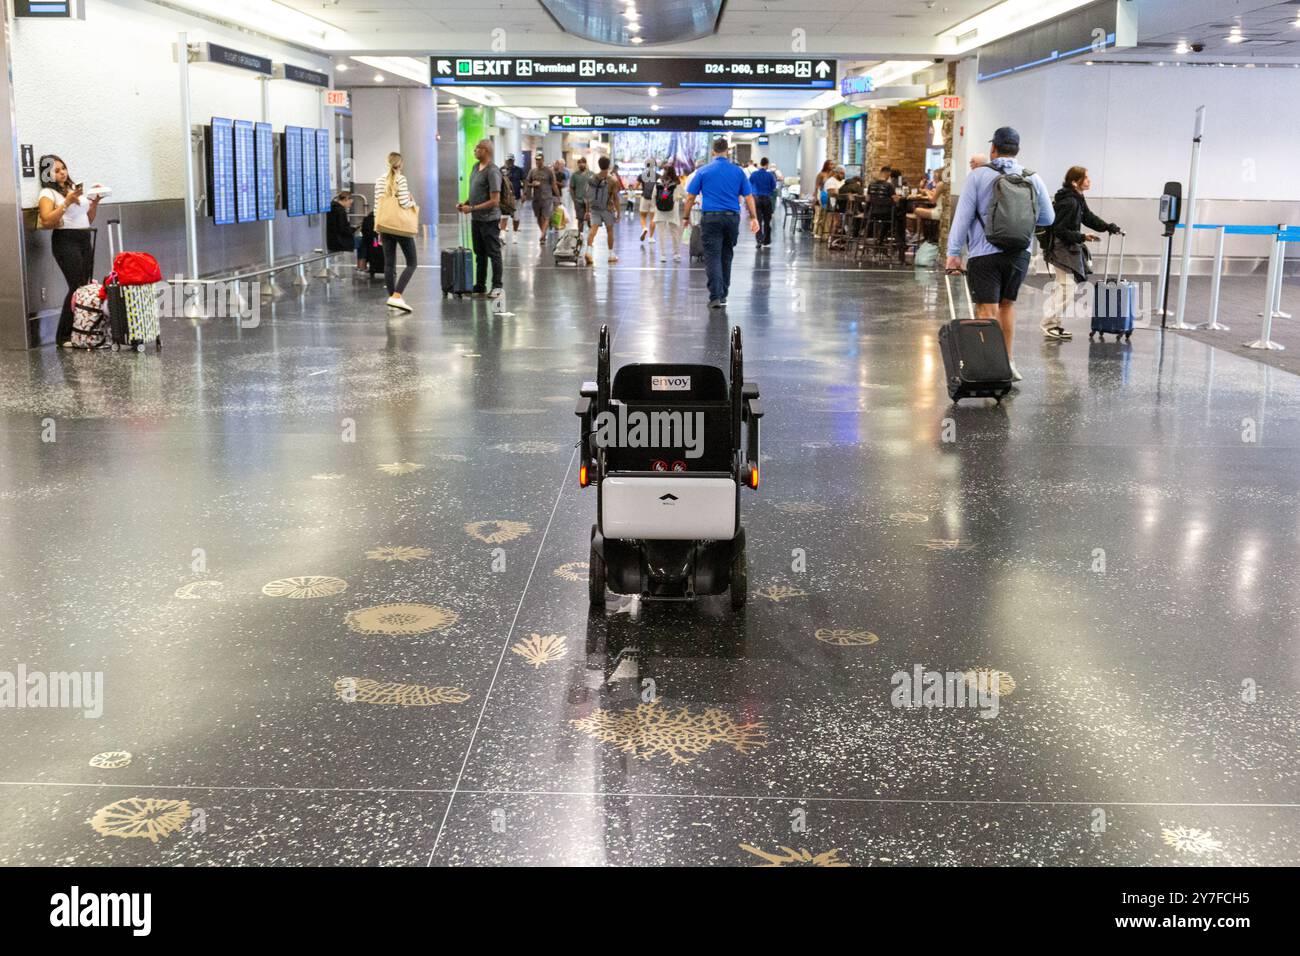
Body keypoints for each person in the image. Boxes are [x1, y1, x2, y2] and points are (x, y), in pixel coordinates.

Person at [946, 127, 1054, 382]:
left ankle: (988, 366)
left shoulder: (978, 176)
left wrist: (953, 253)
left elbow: (962, 218)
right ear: (1017, 151)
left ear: (993, 149)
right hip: (1019, 252)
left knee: (986, 309)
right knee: (1007, 306)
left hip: (984, 253)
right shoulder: (1032, 178)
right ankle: (1008, 363)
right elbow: (1048, 218)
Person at [1041, 165, 1121, 341]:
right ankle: (1049, 324)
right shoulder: (1068, 202)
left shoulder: (1077, 198)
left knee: (1063, 287)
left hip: (1067, 248)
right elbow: (1060, 230)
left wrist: (1107, 226)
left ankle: (1054, 323)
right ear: (1074, 182)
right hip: (1060, 249)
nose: (1089, 180)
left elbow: (1088, 217)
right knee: (1066, 288)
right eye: (1086, 178)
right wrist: (1082, 236)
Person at [681, 137, 759, 310]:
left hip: (710, 218)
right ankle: (723, 293)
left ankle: (715, 296)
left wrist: (686, 217)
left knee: (712, 255)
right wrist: (754, 217)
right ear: (727, 151)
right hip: (732, 218)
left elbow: (690, 197)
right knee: (727, 254)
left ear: (713, 151)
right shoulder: (738, 172)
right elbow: (748, 196)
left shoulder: (703, 171)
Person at [37, 155, 101, 347]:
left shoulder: (73, 190)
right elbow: (47, 220)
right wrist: (66, 202)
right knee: (76, 286)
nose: (62, 172)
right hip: (65, 240)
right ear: (48, 175)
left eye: (63, 168)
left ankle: (81, 329)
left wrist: (94, 202)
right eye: (56, 171)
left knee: (85, 285)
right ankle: (63, 335)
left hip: (84, 237)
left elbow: (87, 219)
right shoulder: (48, 193)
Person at [457, 138, 503, 299]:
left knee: (494, 252)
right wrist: (466, 203)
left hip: (489, 220)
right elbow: (476, 193)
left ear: (486, 151)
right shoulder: (475, 167)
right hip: (476, 219)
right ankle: (480, 285)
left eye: (478, 148)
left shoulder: (493, 171)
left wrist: (473, 208)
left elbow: (495, 200)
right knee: (480, 253)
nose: (475, 150)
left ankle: (497, 286)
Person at [376, 152, 418, 312]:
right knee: (412, 262)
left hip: (385, 226)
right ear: (400, 164)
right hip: (401, 227)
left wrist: (378, 228)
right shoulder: (401, 179)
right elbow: (404, 202)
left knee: (389, 263)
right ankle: (397, 296)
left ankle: (391, 297)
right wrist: (412, 200)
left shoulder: (379, 181)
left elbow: (377, 206)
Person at [584, 155, 621, 266]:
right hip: (607, 209)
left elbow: (587, 196)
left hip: (594, 208)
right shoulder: (613, 180)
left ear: (599, 165)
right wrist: (618, 212)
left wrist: (587, 211)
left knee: (593, 230)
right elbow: (615, 198)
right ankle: (610, 255)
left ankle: (589, 252)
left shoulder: (592, 178)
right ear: (609, 165)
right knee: (609, 231)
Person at [652, 163, 683, 263]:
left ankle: (662, 255)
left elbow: (653, 195)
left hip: (660, 211)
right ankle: (676, 254)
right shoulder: (677, 183)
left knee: (661, 233)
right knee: (674, 233)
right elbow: (684, 194)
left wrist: (655, 206)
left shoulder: (659, 182)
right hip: (672, 211)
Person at [526, 155, 558, 245]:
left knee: (546, 217)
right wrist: (532, 184)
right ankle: (543, 233)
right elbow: (527, 183)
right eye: (537, 160)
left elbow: (553, 184)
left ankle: (543, 234)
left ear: (543, 160)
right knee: (538, 217)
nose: (538, 162)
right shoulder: (532, 171)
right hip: (536, 198)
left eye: (540, 160)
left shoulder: (549, 171)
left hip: (547, 198)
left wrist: (558, 196)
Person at [749, 157, 778, 247]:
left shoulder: (754, 174)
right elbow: (773, 187)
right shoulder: (770, 175)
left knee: (757, 220)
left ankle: (759, 240)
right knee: (767, 220)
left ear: (760, 164)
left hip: (756, 199)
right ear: (767, 164)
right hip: (766, 199)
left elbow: (749, 184)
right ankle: (766, 240)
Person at [326, 190, 358, 267]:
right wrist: (354, 229)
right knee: (363, 242)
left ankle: (361, 265)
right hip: (339, 241)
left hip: (331, 239)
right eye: (350, 203)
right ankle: (362, 265)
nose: (350, 205)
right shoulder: (340, 211)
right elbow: (343, 228)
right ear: (345, 199)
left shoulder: (331, 207)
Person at [499, 155, 525, 244]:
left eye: (511, 161)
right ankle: (502, 236)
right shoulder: (501, 170)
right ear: (505, 160)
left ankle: (515, 234)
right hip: (505, 198)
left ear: (514, 161)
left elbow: (524, 182)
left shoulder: (519, 170)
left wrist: (524, 194)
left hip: (516, 197)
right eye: (508, 161)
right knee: (504, 216)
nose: (510, 162)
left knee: (516, 217)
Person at [637, 160, 659, 241]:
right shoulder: (658, 176)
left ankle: (644, 228)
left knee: (643, 216)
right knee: (653, 218)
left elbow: (636, 186)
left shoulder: (642, 175)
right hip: (654, 198)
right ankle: (651, 237)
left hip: (644, 197)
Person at [812, 160, 833, 238]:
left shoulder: (832, 175)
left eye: (832, 164)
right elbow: (817, 186)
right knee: (819, 214)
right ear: (826, 165)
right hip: (821, 194)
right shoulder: (821, 174)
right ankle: (816, 232)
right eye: (830, 164)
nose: (832, 166)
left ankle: (825, 233)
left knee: (826, 215)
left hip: (828, 196)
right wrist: (815, 197)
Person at [571, 156, 592, 231]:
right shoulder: (574, 175)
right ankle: (580, 236)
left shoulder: (591, 174)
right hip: (578, 200)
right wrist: (574, 199)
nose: (581, 164)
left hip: (589, 201)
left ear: (585, 163)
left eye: (582, 162)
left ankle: (591, 238)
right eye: (579, 163)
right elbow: (572, 188)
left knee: (590, 220)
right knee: (580, 219)